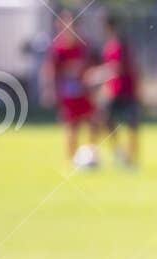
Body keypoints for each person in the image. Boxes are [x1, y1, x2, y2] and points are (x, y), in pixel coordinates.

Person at [44, 10, 99, 167]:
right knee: (71, 127)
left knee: (93, 124)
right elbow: (51, 71)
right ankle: (72, 160)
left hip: (85, 93)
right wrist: (50, 91)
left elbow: (93, 66)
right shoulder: (58, 49)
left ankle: (91, 156)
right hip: (68, 95)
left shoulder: (85, 46)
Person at [96, 12, 140, 168]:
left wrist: (96, 75)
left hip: (125, 91)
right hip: (114, 92)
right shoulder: (111, 45)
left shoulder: (120, 45)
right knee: (105, 121)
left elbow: (117, 68)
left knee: (132, 126)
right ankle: (119, 153)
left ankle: (132, 159)